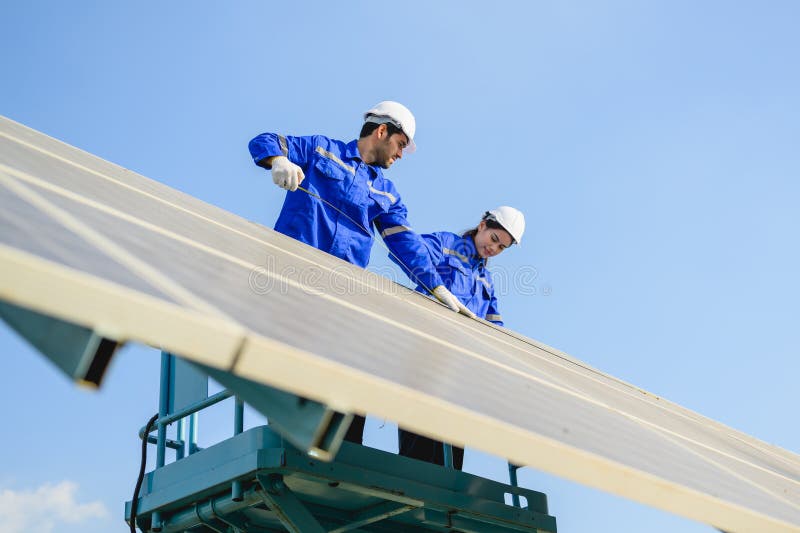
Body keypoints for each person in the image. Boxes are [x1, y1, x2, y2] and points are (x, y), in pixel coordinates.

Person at [248, 101, 474, 445]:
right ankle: (291, 444)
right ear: (382, 131)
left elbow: (405, 243)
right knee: (297, 375)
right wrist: (278, 160)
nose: (401, 154)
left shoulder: (387, 194)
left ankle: (343, 453)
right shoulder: (321, 150)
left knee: (350, 375)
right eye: (400, 144)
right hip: (294, 283)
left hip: (342, 295)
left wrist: (437, 287)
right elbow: (266, 140)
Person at [392, 206, 526, 469]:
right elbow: (411, 251)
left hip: (459, 376)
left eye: (502, 248)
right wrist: (436, 288)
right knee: (419, 450)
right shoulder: (445, 245)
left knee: (451, 459)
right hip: (425, 361)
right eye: (494, 239)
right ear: (483, 225)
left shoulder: (486, 281)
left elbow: (495, 330)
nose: (494, 249)